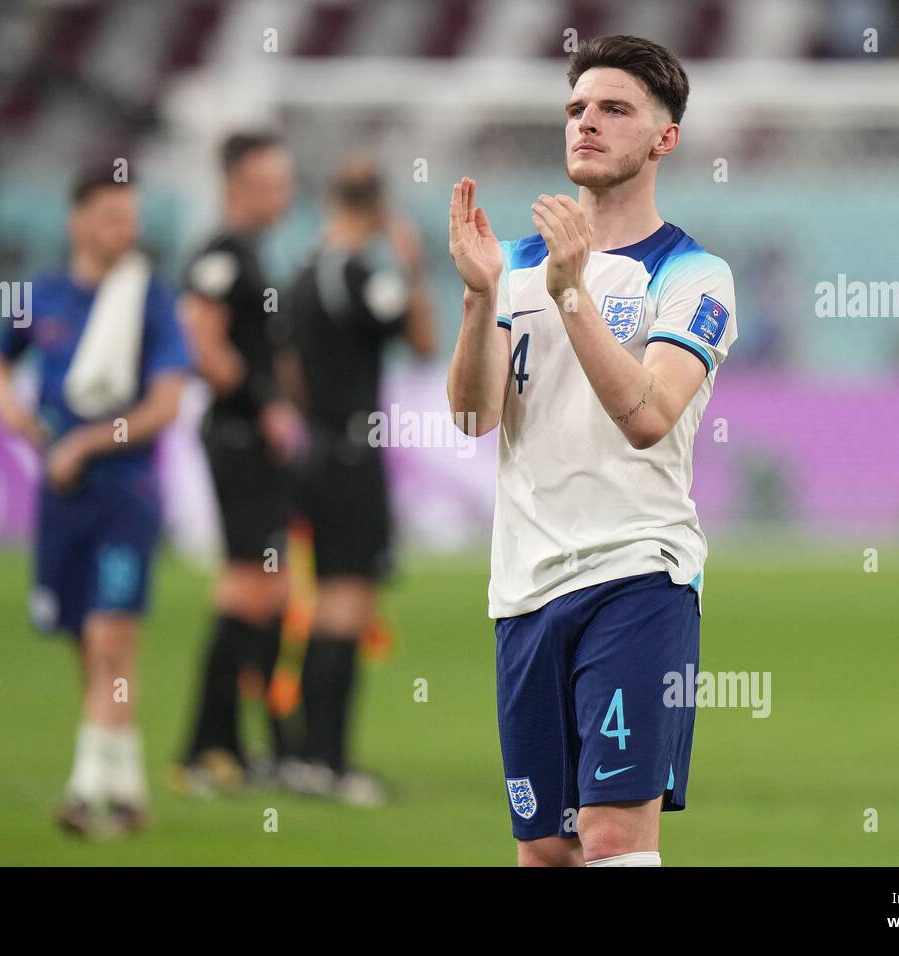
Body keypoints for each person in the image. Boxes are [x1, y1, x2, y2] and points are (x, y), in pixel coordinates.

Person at [446, 35, 737, 866]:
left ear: (664, 138)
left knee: (612, 837)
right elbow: (470, 419)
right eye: (577, 108)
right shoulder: (517, 269)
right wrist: (476, 300)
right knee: (544, 850)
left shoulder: (692, 274)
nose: (587, 123)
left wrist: (573, 291)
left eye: (614, 109)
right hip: (524, 587)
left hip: (636, 575)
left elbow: (647, 415)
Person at [0, 168, 190, 837]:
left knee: (109, 635)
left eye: (129, 218)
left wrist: (90, 443)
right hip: (61, 500)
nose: (123, 231)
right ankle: (128, 789)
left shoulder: (149, 298)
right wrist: (12, 411)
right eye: (110, 218)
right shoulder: (40, 296)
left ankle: (84, 790)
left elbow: (165, 404)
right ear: (77, 223)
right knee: (91, 647)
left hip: (125, 494)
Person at [280, 156, 436, 805]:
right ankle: (331, 763)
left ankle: (305, 756)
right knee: (348, 604)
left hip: (313, 449)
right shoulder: (362, 276)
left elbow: (286, 366)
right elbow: (425, 345)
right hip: (351, 454)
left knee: (323, 604)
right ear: (377, 209)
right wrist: (413, 266)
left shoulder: (300, 272)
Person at [173, 131, 301, 793]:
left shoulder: (252, 254)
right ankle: (203, 748)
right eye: (270, 181)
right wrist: (261, 404)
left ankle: (233, 744)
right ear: (235, 186)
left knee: (269, 591)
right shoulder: (221, 253)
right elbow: (198, 334)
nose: (283, 193)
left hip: (250, 444)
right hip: (235, 441)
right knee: (248, 588)